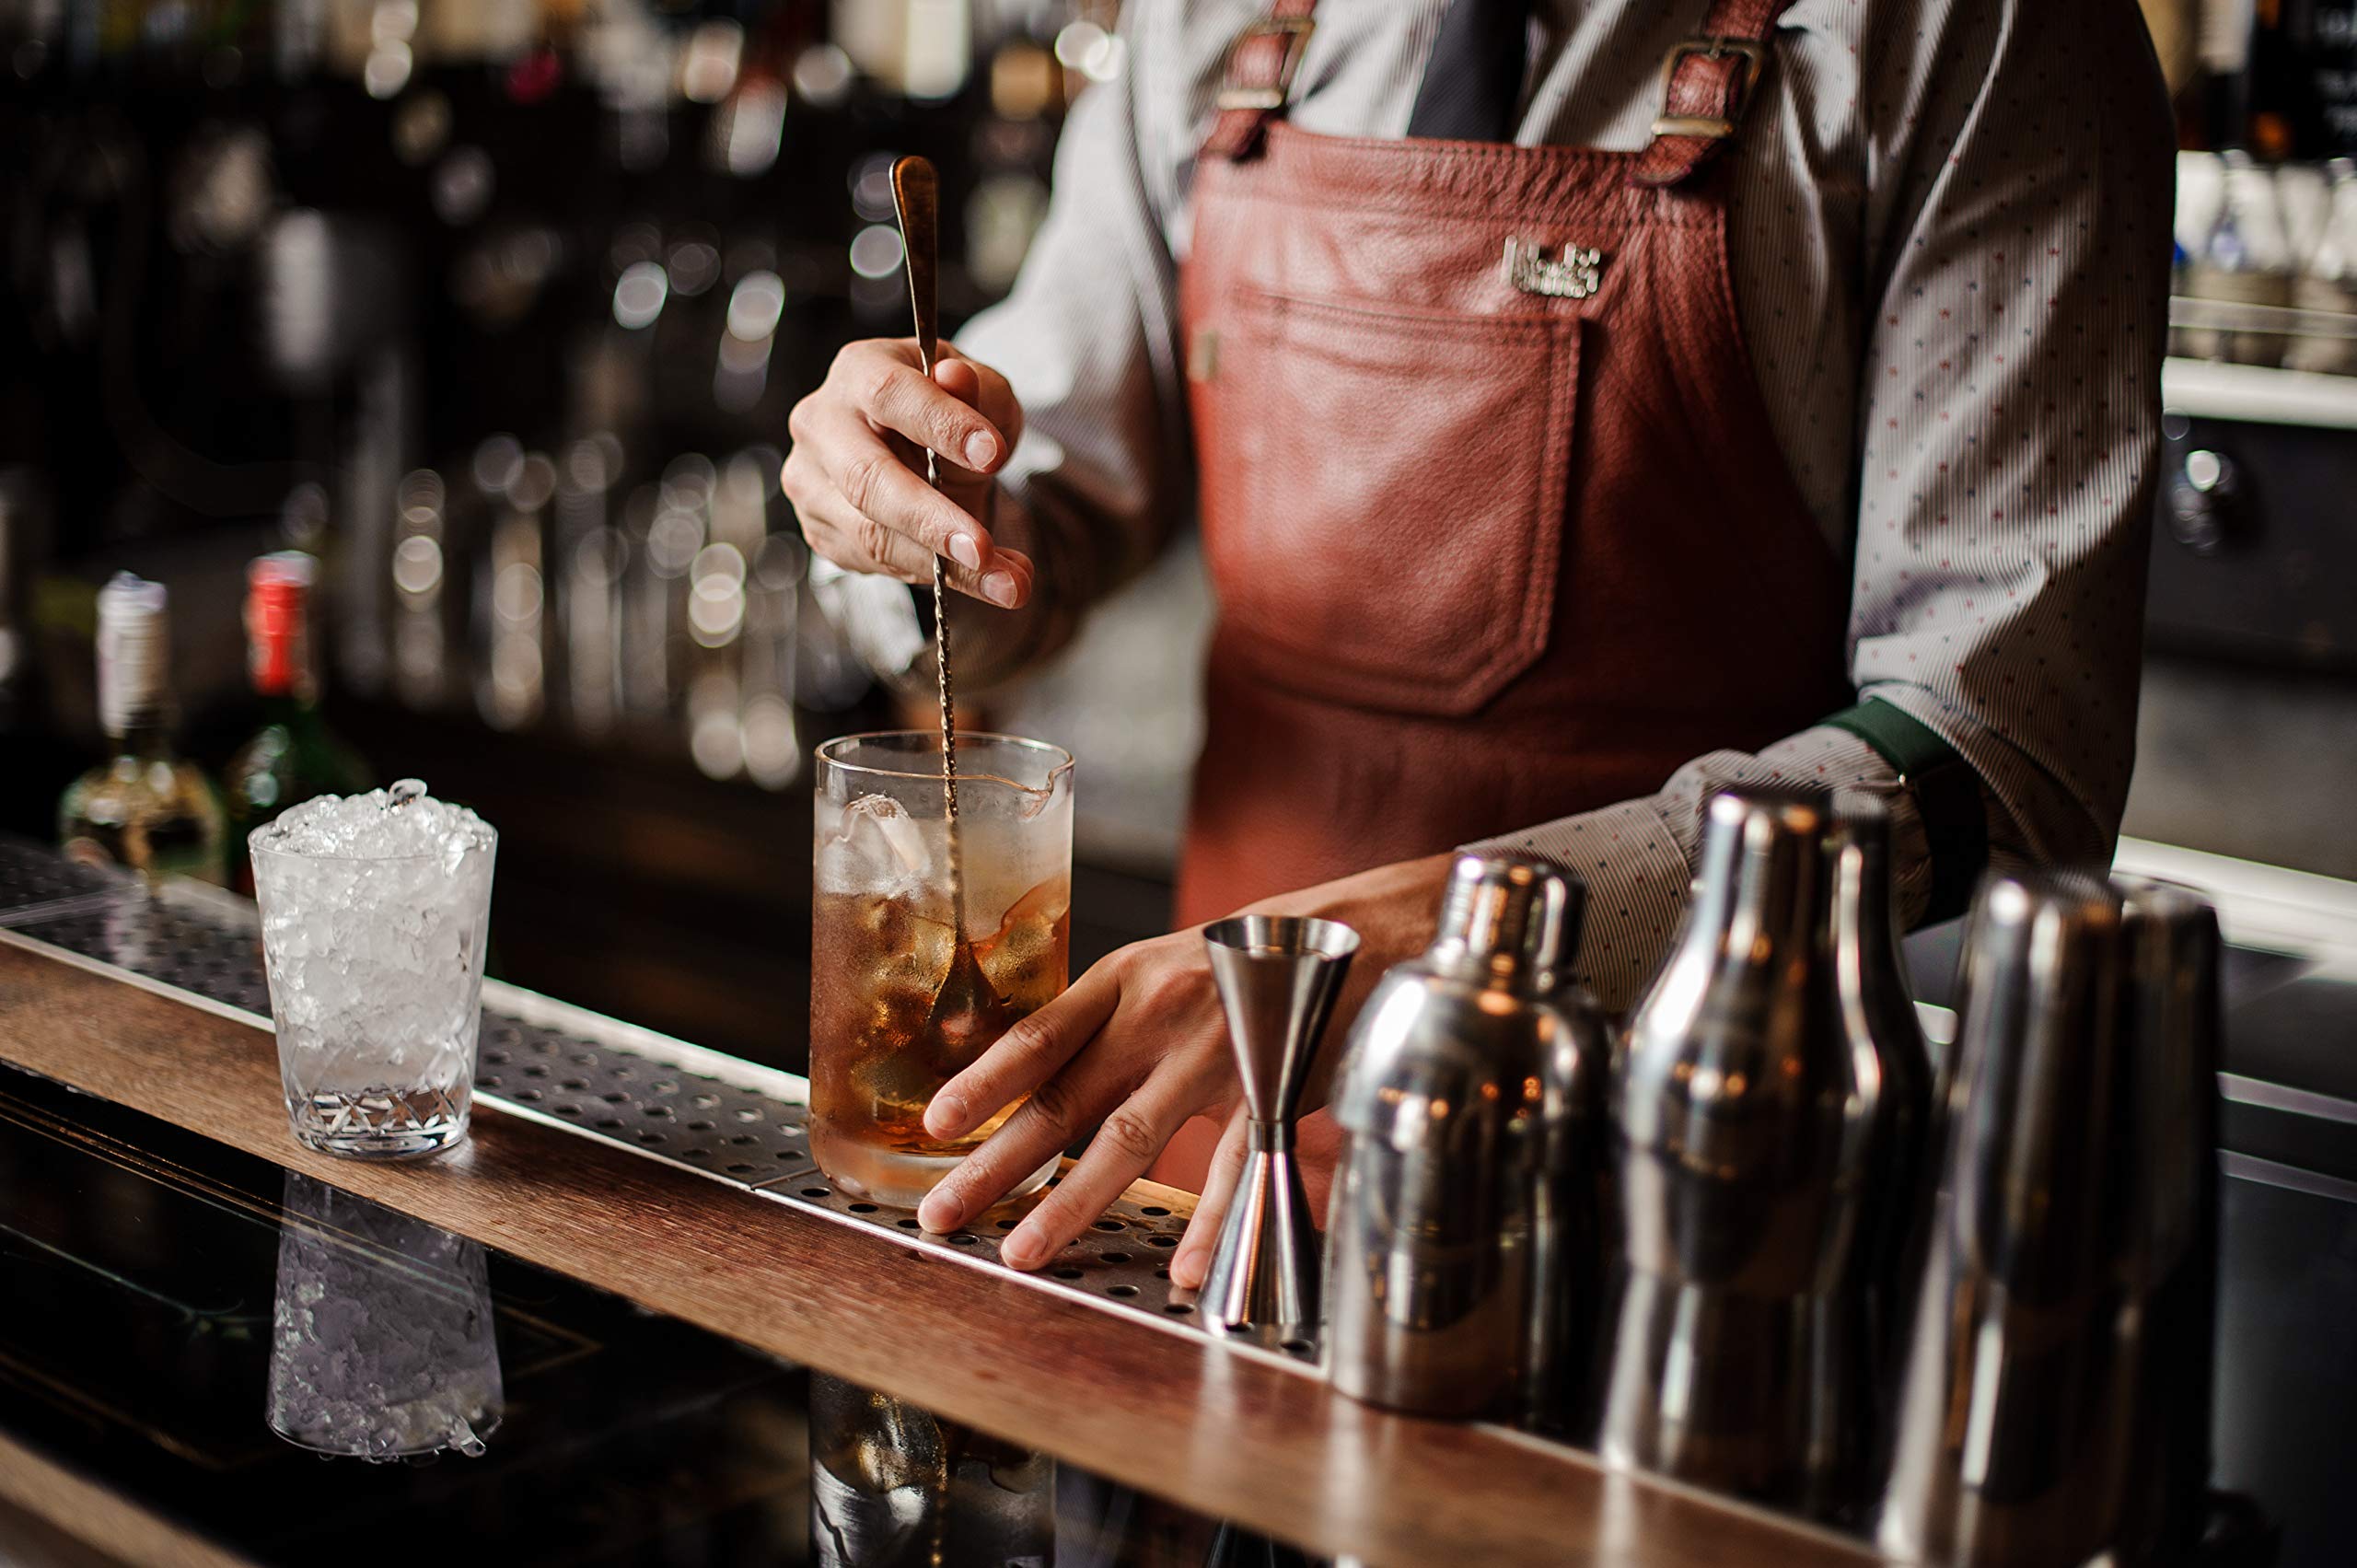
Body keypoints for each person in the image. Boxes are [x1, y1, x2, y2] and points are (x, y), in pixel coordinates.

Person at [782, 0, 2174, 1283]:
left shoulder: (1975, 30)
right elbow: (1043, 514)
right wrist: (906, 510)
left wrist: (1438, 944)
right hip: (1209, 1204)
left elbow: (1998, 754)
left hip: (1691, 1251)